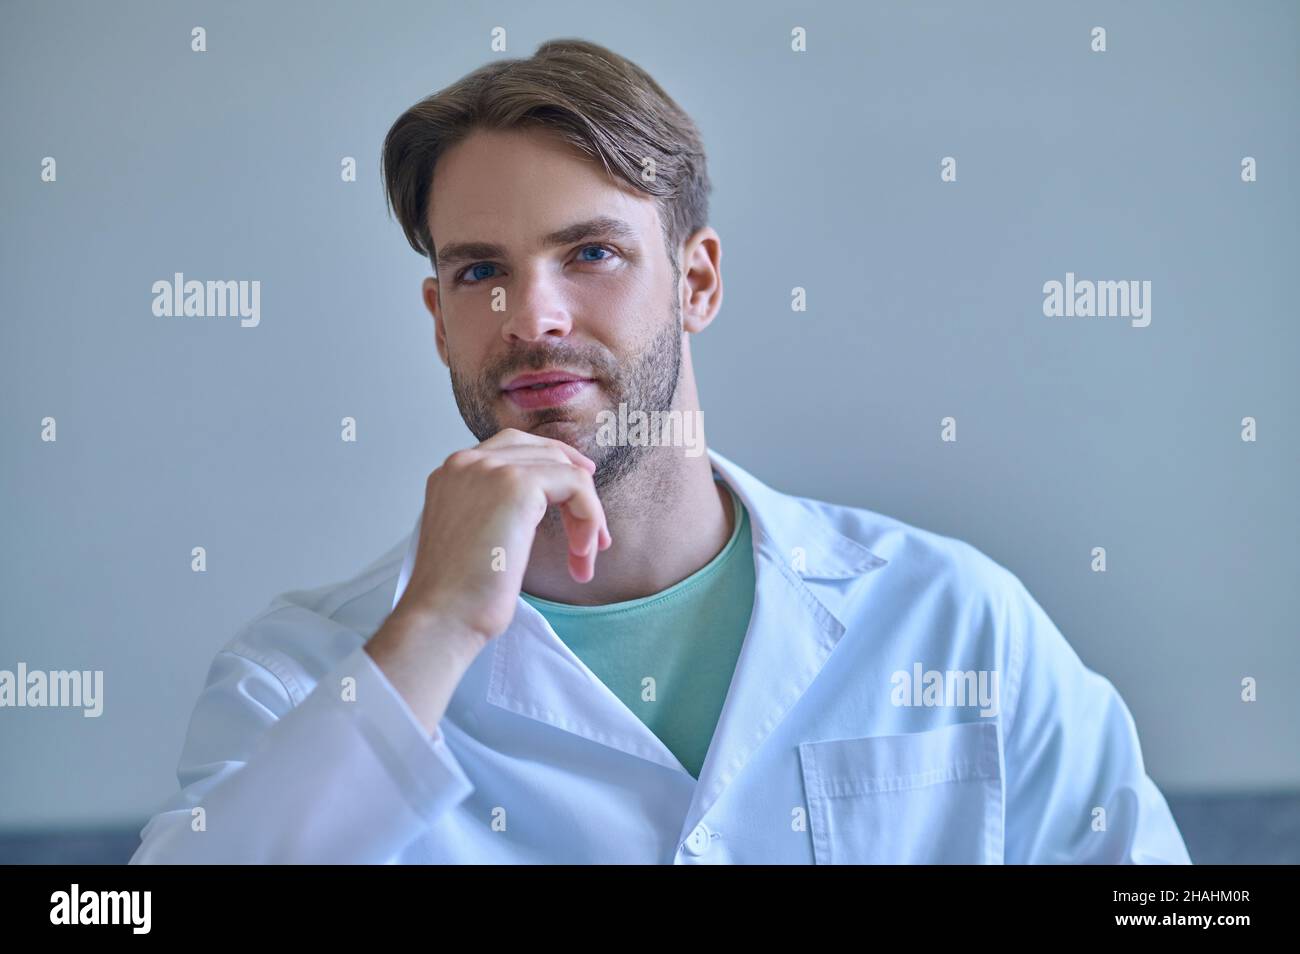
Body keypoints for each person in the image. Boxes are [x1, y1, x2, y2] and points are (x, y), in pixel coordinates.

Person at [130, 38, 1190, 865]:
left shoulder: (959, 626)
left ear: (696, 282)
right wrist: (435, 629)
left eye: (589, 253)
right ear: (437, 317)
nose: (533, 316)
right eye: (477, 271)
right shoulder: (305, 671)